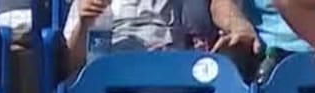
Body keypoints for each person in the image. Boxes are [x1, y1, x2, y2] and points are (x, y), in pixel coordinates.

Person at [61, 0, 260, 76]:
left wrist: (238, 25)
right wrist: (84, 22)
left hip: (164, 70)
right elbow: (71, 64)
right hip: (107, 72)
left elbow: (219, 6)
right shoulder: (88, 3)